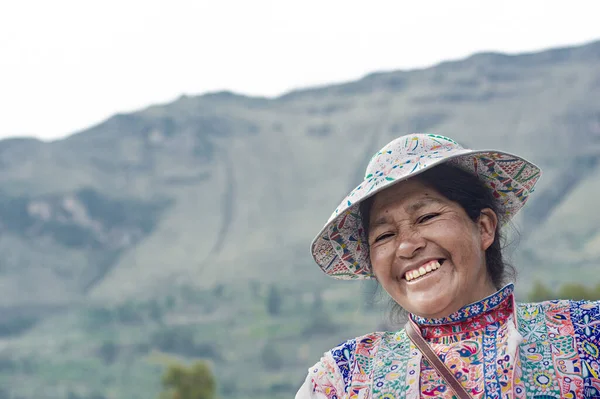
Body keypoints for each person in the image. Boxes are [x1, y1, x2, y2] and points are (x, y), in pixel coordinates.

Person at [295, 133, 600, 399]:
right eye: (385, 235)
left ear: (483, 227)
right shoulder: (341, 381)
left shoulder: (587, 334)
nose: (406, 245)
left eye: (426, 217)